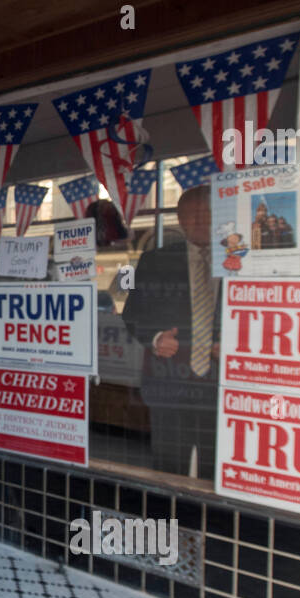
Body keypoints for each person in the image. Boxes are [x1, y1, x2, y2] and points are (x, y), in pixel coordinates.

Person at [121, 184, 220, 477]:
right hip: (170, 387)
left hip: (222, 388)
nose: (200, 221)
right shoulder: (155, 261)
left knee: (216, 472)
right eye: (192, 215)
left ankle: (215, 523)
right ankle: (166, 523)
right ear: (179, 219)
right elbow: (132, 314)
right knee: (168, 470)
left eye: (207, 213)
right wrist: (154, 338)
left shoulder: (240, 260)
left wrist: (235, 346)